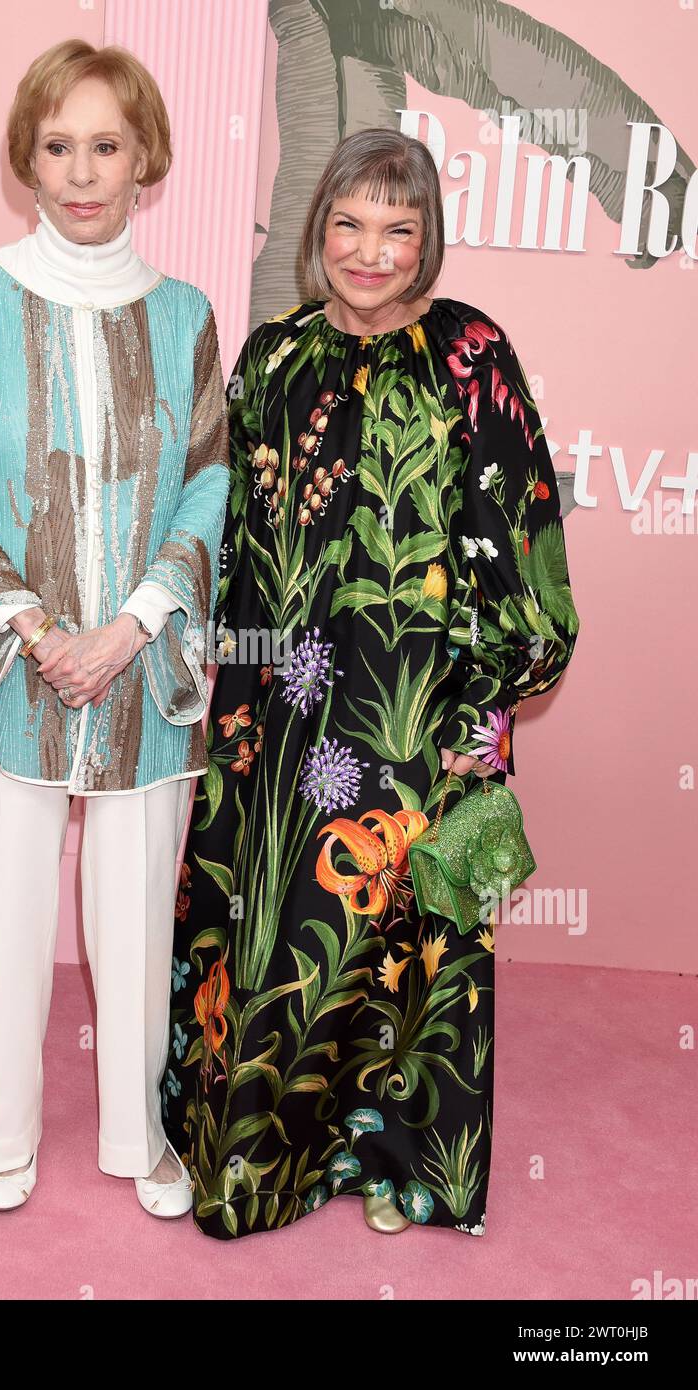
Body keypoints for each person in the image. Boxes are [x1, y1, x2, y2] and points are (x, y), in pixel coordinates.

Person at [162, 128, 580, 1238]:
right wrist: (223, 675)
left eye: (397, 229)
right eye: (348, 224)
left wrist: (489, 699)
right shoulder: (271, 354)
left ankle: (395, 1163)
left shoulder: (468, 354)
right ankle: (261, 1158)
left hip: (416, 705)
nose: (369, 251)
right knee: (277, 930)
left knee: (400, 938)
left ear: (425, 239)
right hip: (280, 704)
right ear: (318, 232)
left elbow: (516, 524)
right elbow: (239, 532)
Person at [0, 39, 229, 1215]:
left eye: (106, 144)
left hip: (140, 665)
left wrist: (133, 623)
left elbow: (206, 482)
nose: (81, 171)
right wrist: (37, 624)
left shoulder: (188, 314)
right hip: (12, 659)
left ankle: (136, 1134)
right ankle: (6, 1133)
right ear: (23, 158)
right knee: (8, 906)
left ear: (146, 157)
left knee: (137, 912)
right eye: (58, 145)